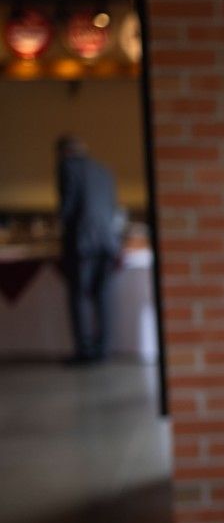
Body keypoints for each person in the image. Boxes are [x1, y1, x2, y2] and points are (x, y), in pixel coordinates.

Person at [56, 134, 121, 364]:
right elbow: (113, 208)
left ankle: (84, 351)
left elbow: (68, 206)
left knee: (79, 296)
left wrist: (59, 227)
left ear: (64, 151)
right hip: (108, 241)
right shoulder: (103, 170)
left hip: (83, 242)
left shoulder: (68, 167)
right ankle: (103, 350)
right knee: (102, 297)